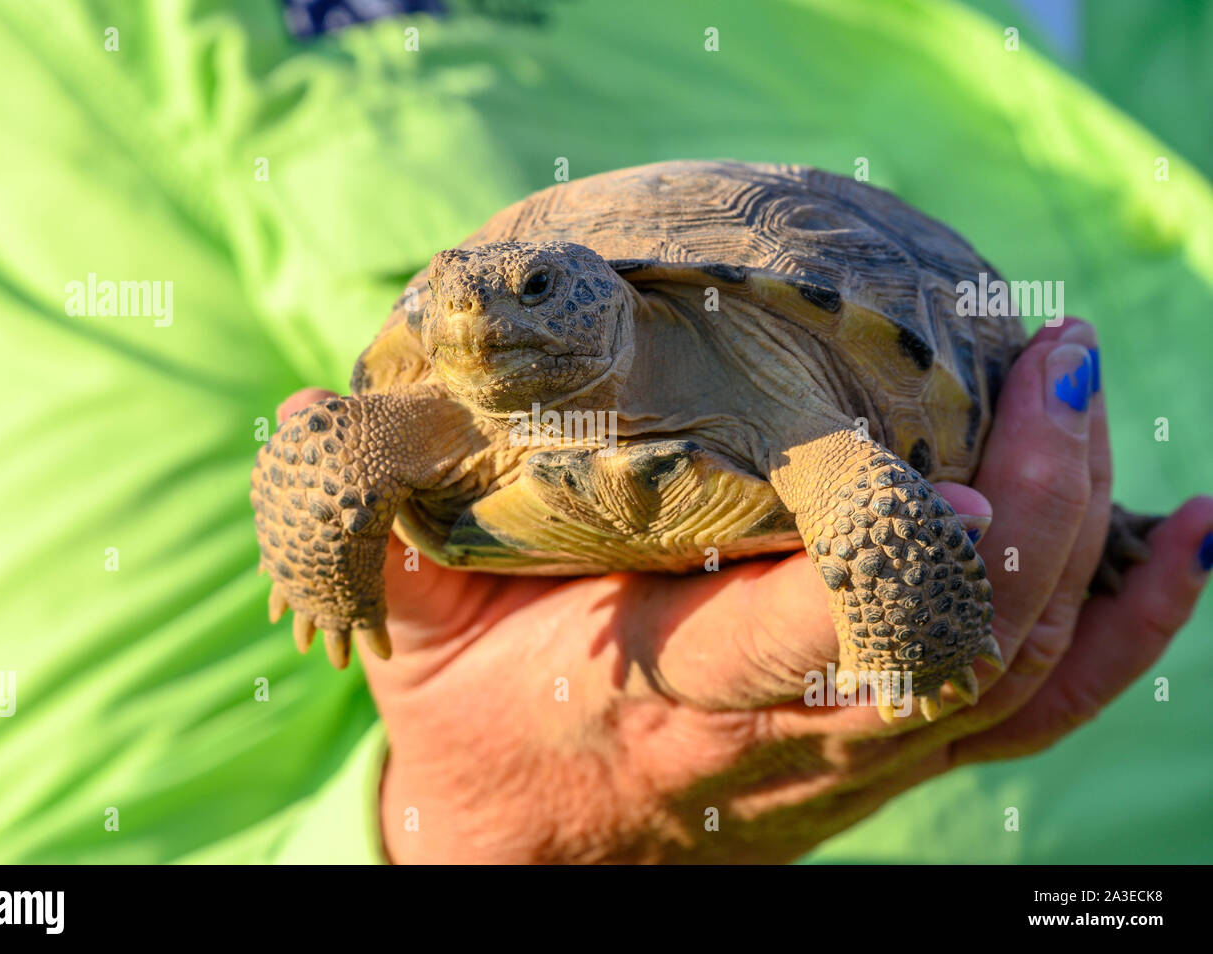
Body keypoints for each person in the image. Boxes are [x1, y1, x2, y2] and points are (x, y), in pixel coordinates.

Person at [276, 317, 1212, 863]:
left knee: (919, 541)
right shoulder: (430, 412)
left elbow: (861, 494)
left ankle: (1102, 540)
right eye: (457, 306)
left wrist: (917, 633)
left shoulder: (786, 398)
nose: (485, 320)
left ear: (605, 306)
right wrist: (478, 827)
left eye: (534, 293)